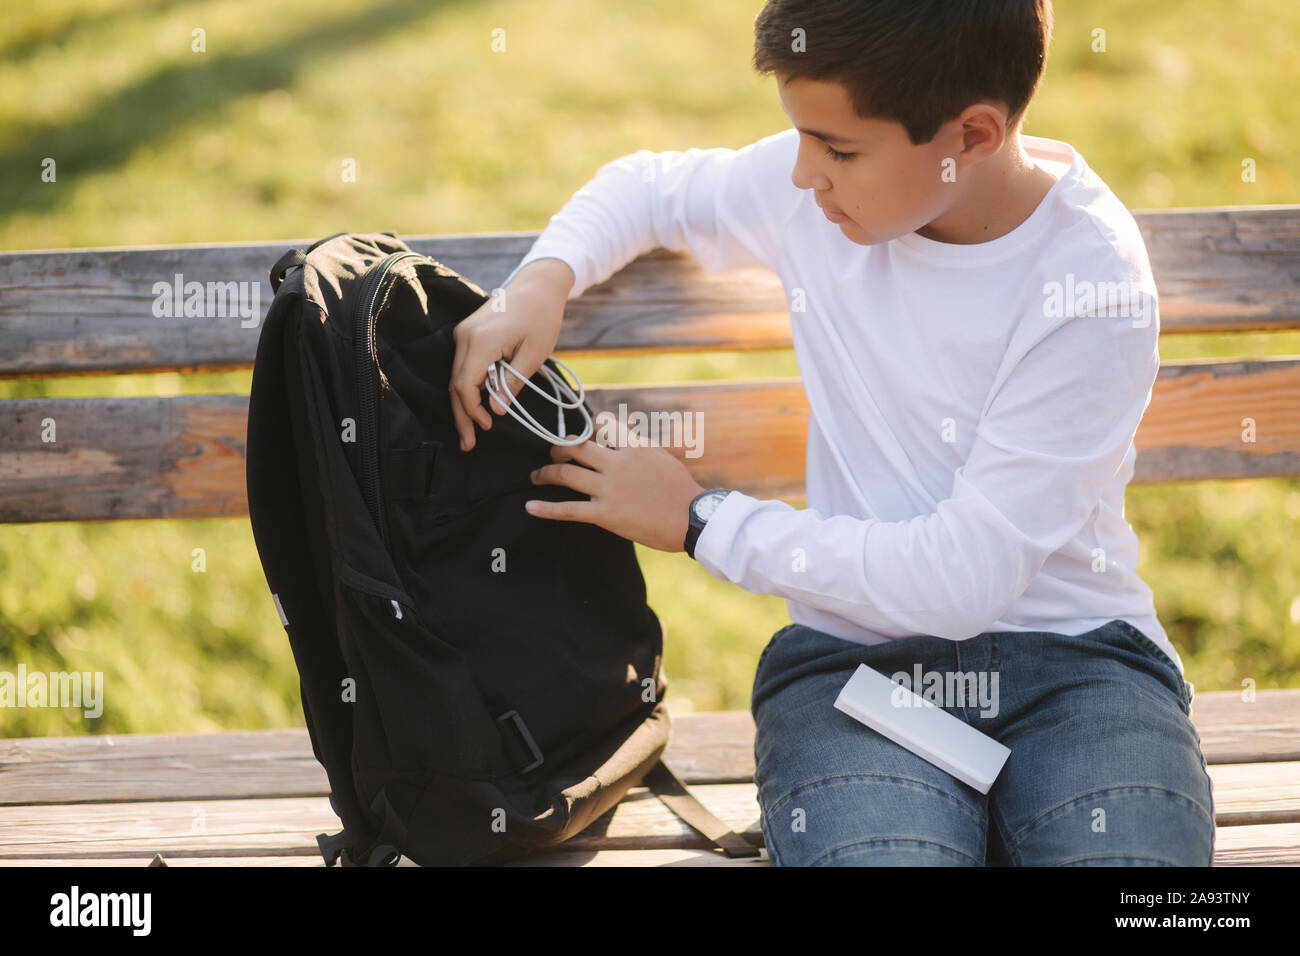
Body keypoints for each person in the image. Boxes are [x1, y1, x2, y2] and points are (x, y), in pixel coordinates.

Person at [447, 0, 1215, 866]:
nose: (805, 175)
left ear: (973, 134)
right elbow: (649, 189)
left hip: (1081, 671)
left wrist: (702, 521)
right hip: (860, 673)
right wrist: (542, 279)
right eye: (803, 138)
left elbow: (965, 578)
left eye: (839, 149)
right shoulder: (815, 192)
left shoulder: (1091, 282)